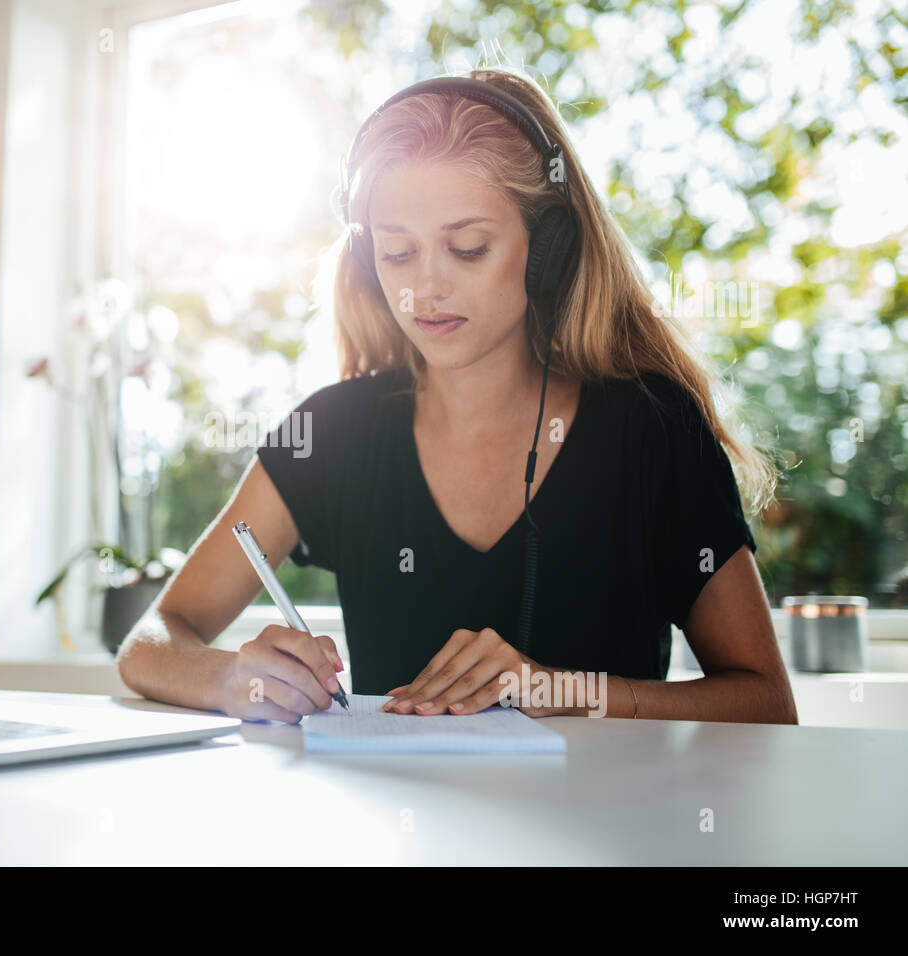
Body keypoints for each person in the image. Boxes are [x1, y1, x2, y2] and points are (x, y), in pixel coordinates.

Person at [116, 66, 797, 724]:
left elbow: (765, 703)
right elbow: (153, 641)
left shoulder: (651, 429)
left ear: (548, 248)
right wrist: (231, 675)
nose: (425, 289)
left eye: (468, 248)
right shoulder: (332, 431)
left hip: (604, 839)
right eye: (398, 253)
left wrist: (563, 690)